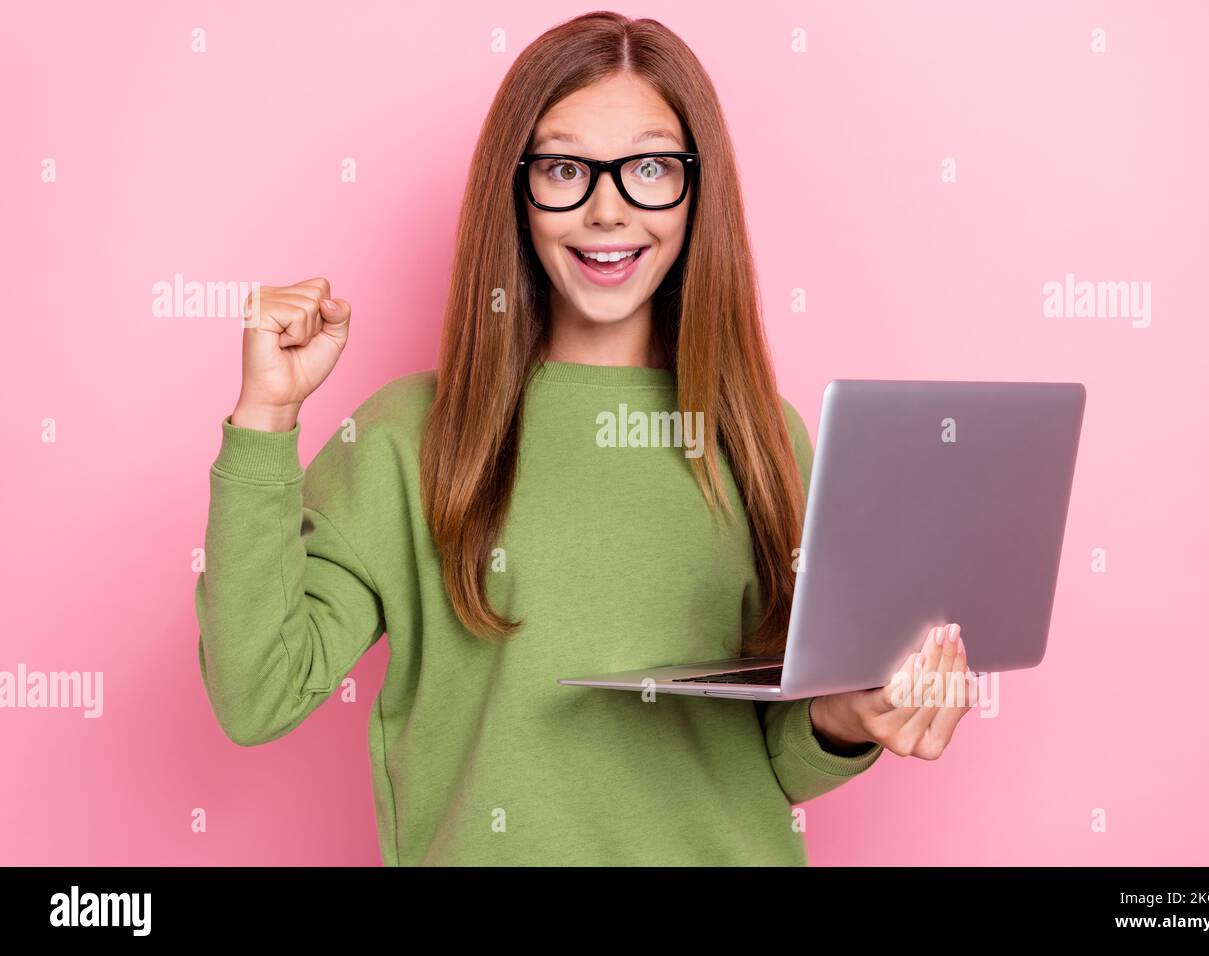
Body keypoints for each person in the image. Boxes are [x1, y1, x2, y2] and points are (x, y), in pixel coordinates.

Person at [194, 11, 974, 866]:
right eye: (566, 168)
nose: (608, 210)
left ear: (695, 188)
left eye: (648, 167)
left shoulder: (762, 434)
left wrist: (848, 717)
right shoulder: (404, 437)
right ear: (518, 189)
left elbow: (774, 756)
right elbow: (256, 695)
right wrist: (264, 421)